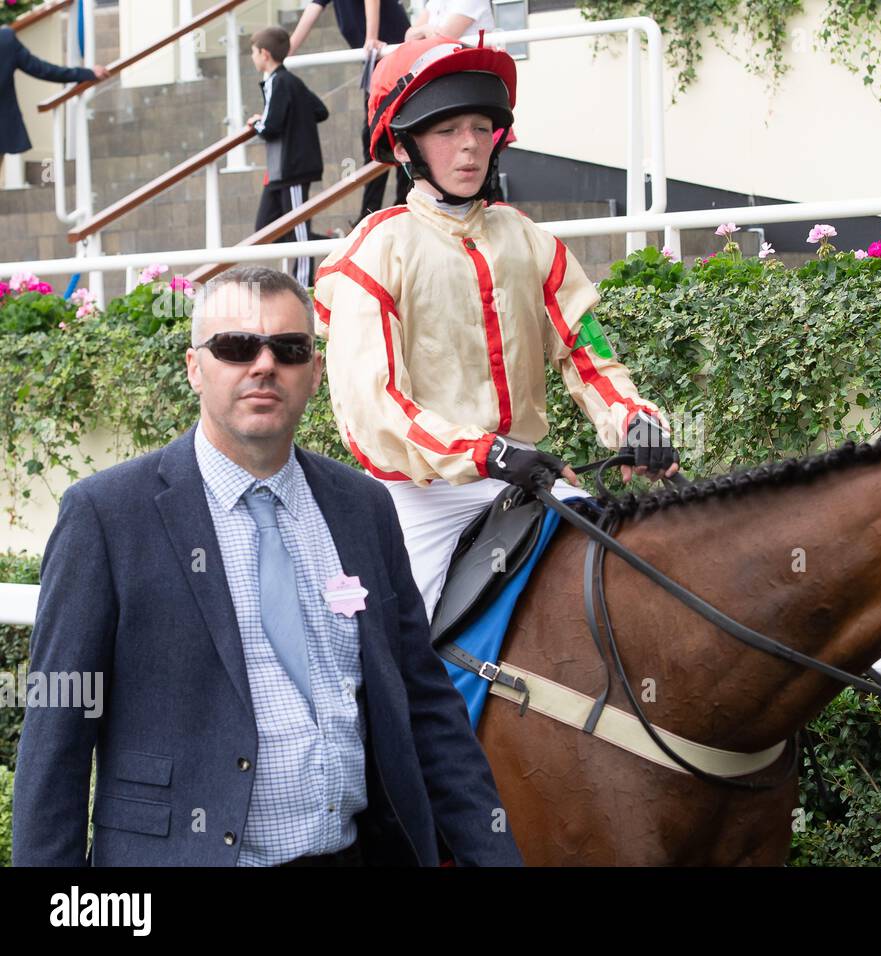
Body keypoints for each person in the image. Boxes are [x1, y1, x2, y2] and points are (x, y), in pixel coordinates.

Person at [12, 266, 522, 867]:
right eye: (235, 346)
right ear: (194, 368)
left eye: (289, 348)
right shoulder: (107, 517)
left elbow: (425, 703)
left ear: (313, 371)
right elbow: (57, 737)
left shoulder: (363, 507)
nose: (264, 364)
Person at [312, 36, 678, 624]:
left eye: (481, 128)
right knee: (382, 653)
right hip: (422, 499)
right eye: (447, 130)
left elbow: (589, 355)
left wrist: (635, 419)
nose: (469, 147)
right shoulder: (376, 251)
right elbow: (374, 406)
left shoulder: (531, 240)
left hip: (526, 477)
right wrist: (488, 452)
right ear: (407, 148)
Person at [287, 0, 413, 222]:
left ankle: (402, 206)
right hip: (378, 64)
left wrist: (370, 36)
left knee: (402, 132)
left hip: (395, 56)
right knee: (375, 138)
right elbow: (312, 10)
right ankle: (371, 212)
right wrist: (285, 52)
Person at [247, 27, 329, 288]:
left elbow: (271, 127)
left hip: (291, 168)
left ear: (265, 54)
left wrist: (255, 124)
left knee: (297, 230)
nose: (252, 57)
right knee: (265, 229)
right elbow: (319, 110)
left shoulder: (278, 81)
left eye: (253, 52)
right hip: (280, 171)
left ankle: (305, 288)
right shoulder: (288, 81)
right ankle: (324, 241)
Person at [0, 26, 107, 168]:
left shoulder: (5, 39)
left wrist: (86, 74)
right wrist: (86, 73)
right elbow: (43, 70)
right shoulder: (5, 40)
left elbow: (42, 69)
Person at [406, 0, 496, 43]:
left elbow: (444, 37)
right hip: (446, 69)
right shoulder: (435, 2)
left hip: (470, 69)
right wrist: (425, 30)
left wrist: (421, 32)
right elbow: (408, 36)